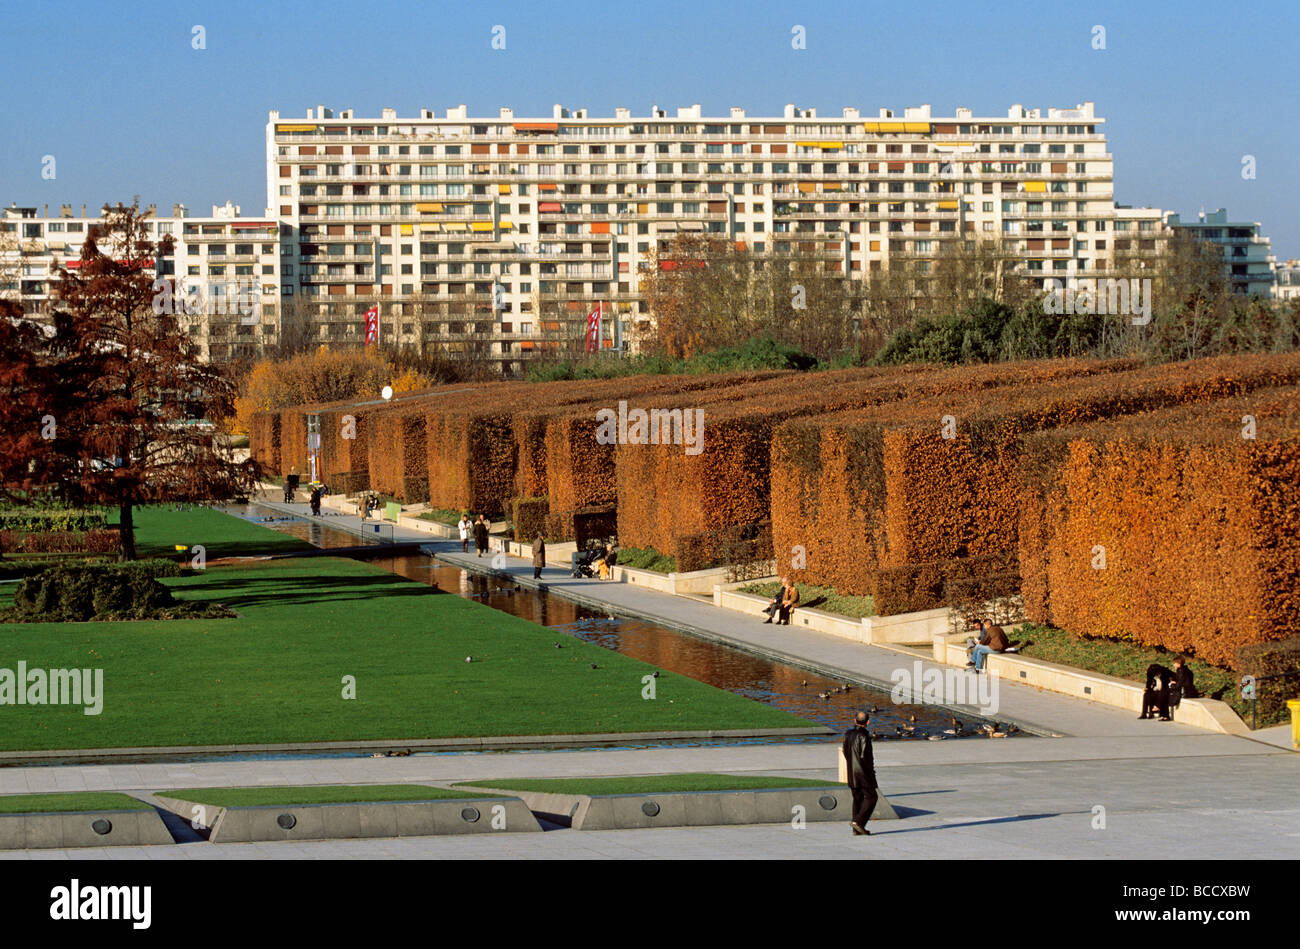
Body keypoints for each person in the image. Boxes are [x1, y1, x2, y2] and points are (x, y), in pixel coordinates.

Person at [842, 710, 879, 836]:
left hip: (852, 772)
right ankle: (858, 822)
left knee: (857, 799)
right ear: (867, 722)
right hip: (863, 774)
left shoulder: (848, 734)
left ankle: (857, 829)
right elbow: (866, 758)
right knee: (872, 797)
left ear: (854, 720)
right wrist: (871, 774)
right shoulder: (864, 737)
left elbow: (846, 753)